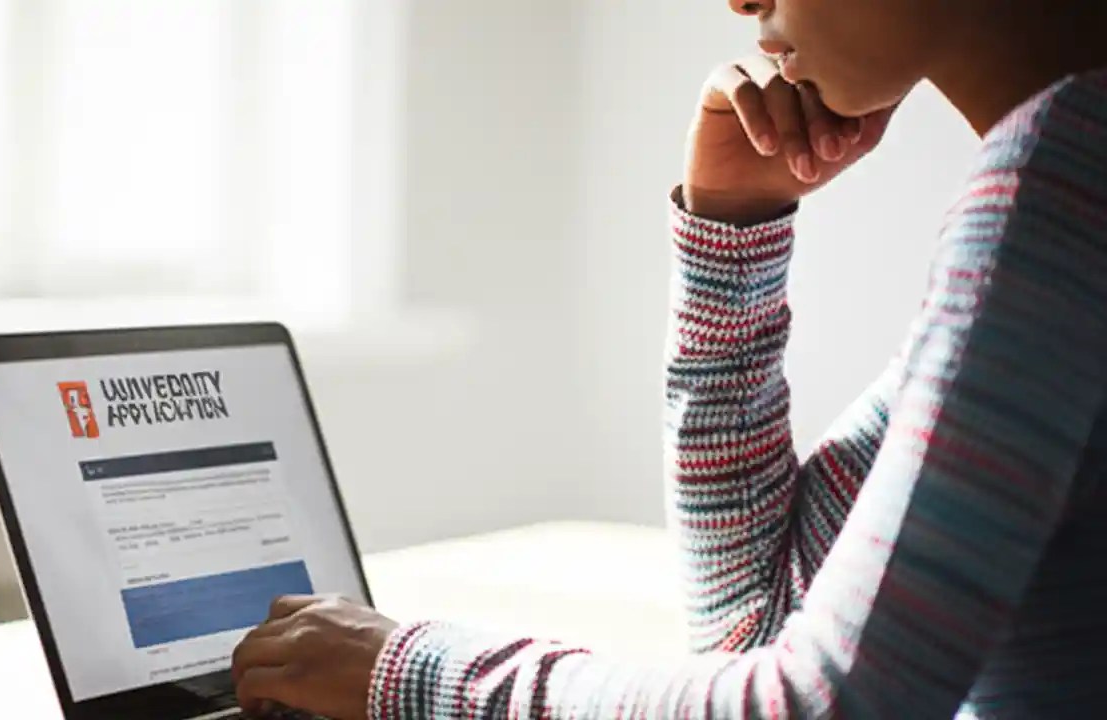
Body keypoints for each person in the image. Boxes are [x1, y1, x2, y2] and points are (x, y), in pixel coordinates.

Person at [231, 0, 1107, 717]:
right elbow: (758, 627)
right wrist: (733, 232)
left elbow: (820, 707)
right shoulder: (1069, 170)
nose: (741, 3)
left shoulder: (1062, 191)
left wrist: (407, 675)